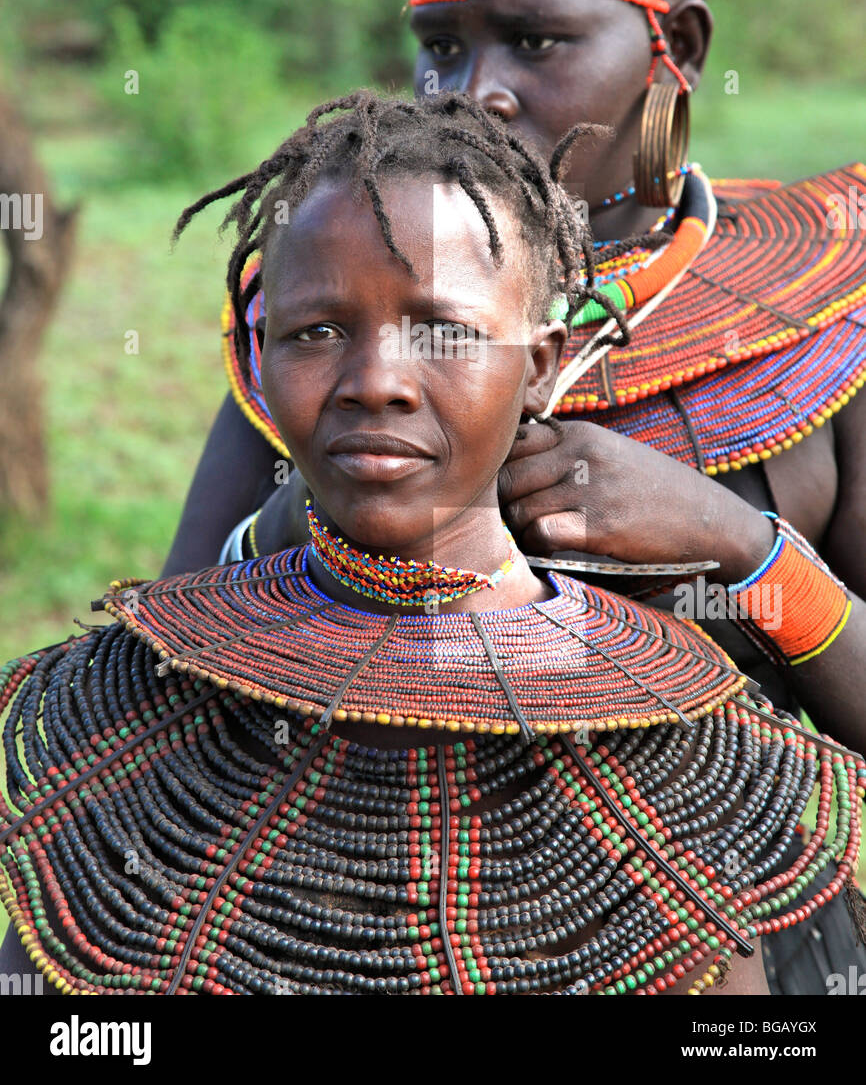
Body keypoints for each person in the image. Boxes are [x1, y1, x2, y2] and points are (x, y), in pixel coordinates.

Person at [2, 92, 863, 996]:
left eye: (444, 331)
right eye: (319, 331)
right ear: (259, 358)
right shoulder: (137, 705)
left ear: (538, 366)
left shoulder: (677, 735)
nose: (376, 383)